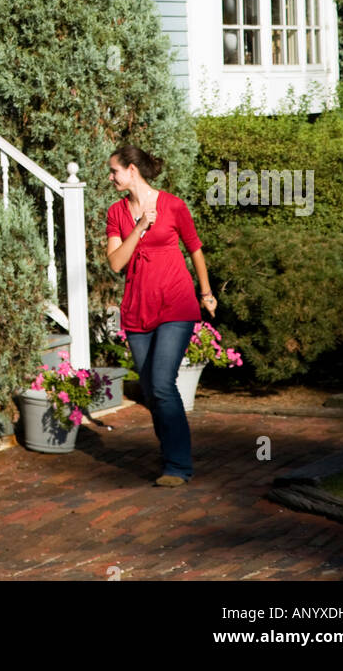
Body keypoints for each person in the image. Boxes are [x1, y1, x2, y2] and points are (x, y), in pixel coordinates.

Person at [105, 143, 216, 487]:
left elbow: (195, 249)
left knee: (163, 383)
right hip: (137, 308)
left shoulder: (173, 205)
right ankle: (171, 450)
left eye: (114, 171)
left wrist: (206, 292)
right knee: (152, 391)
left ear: (132, 170)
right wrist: (138, 228)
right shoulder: (116, 213)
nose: (110, 177)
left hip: (176, 304)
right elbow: (115, 263)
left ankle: (177, 466)